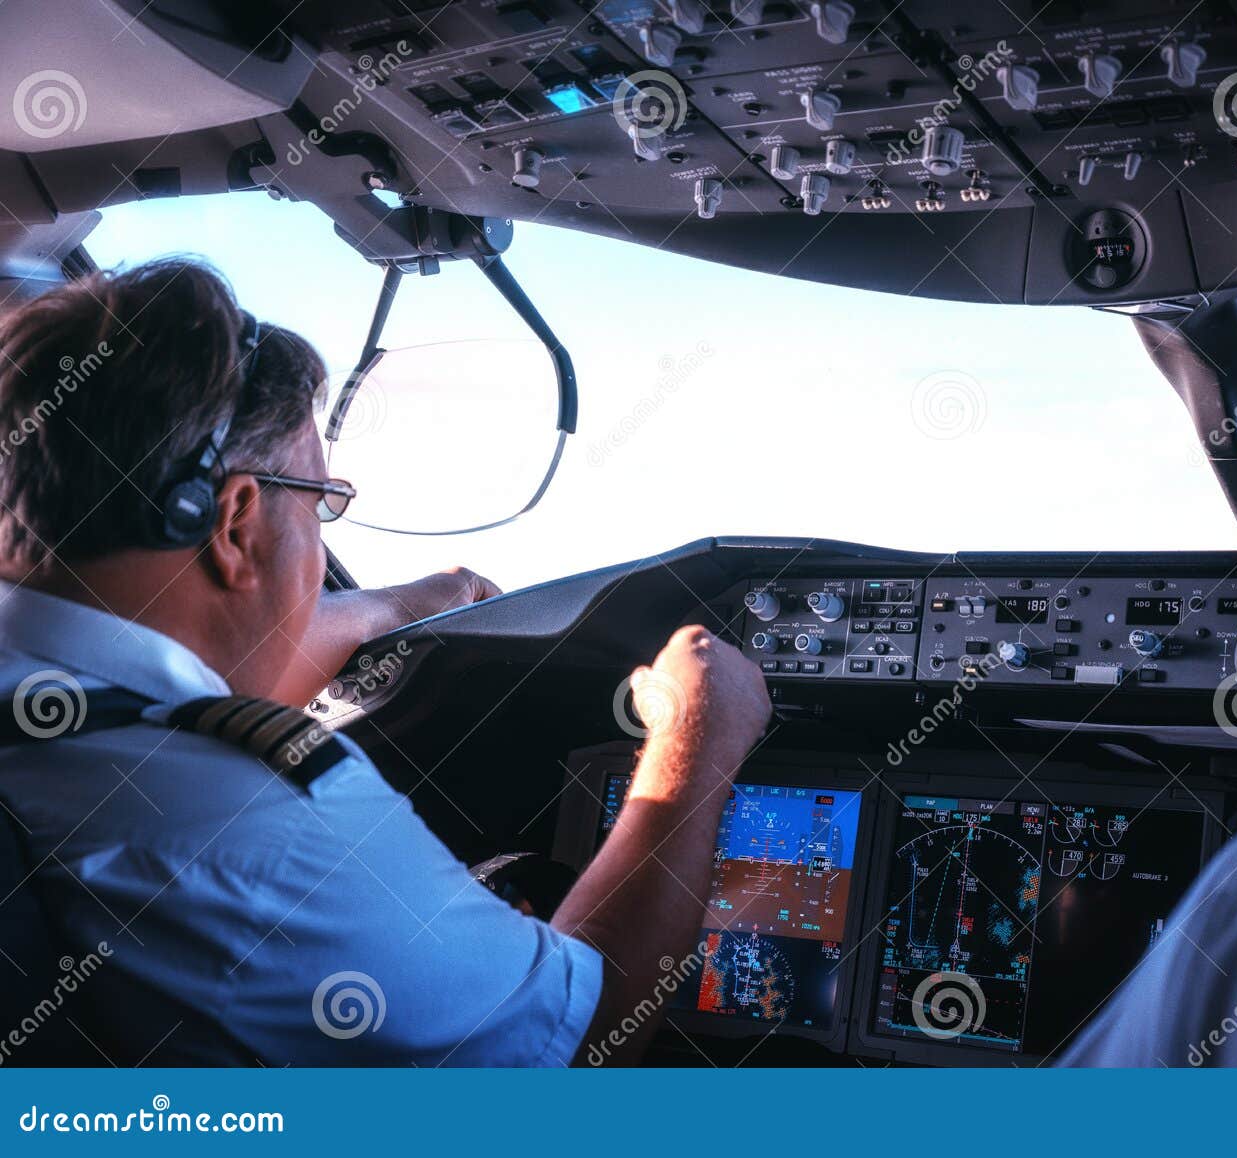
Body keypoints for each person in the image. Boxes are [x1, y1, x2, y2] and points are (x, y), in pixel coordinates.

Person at [0, 259, 771, 1065]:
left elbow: (177, 675)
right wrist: (696, 737)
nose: (319, 541)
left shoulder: (64, 708)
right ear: (232, 525)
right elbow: (579, 1042)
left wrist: (393, 605)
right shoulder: (251, 823)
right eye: (319, 505)